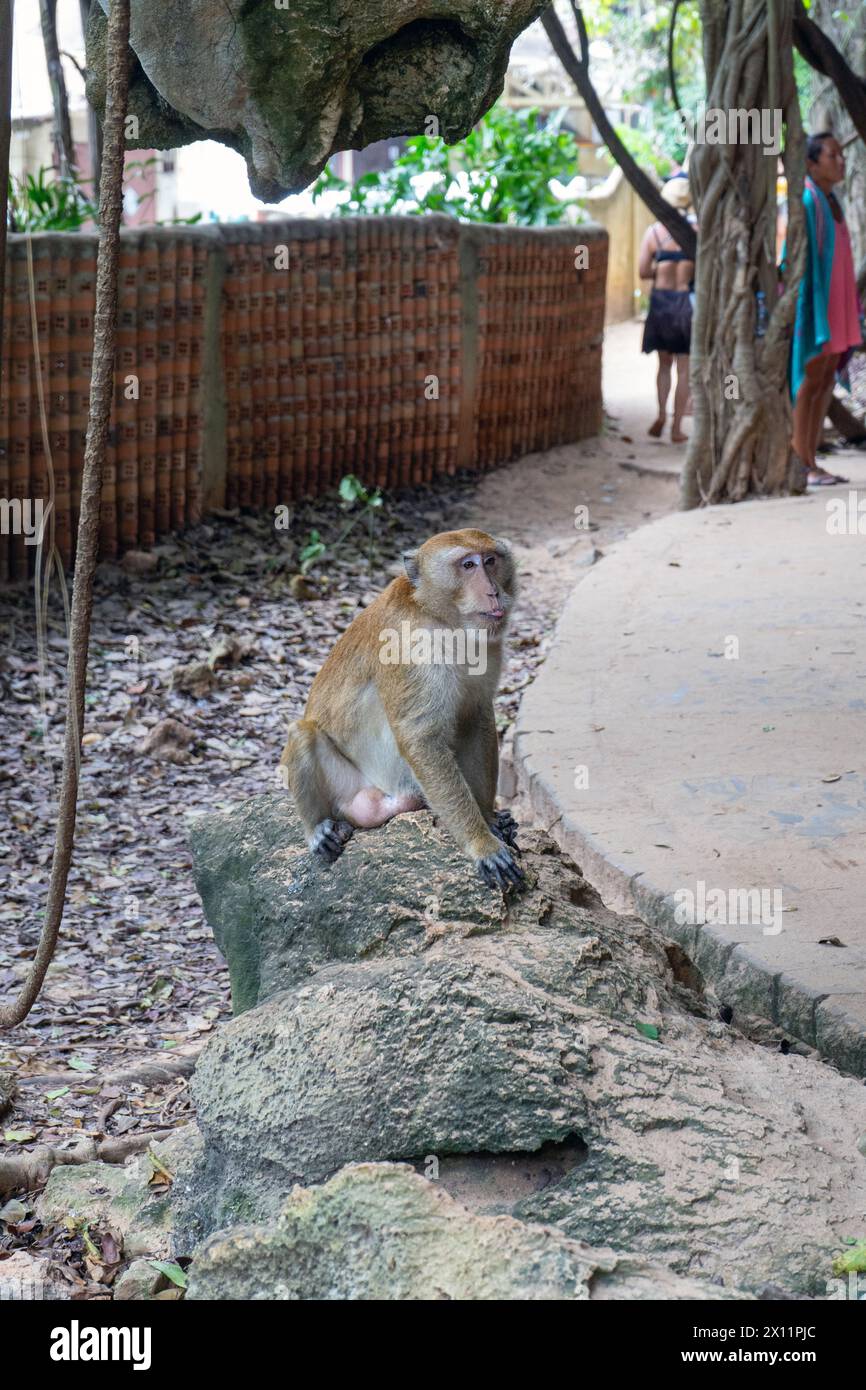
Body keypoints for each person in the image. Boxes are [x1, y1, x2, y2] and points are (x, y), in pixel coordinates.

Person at [789, 132, 862, 486]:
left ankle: (810, 457)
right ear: (811, 163)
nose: (840, 161)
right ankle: (800, 460)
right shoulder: (807, 200)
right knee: (809, 379)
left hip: (838, 305)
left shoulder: (831, 201)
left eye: (841, 155)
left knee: (824, 381)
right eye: (832, 156)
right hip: (816, 306)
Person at [638, 173, 696, 444]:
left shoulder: (653, 233)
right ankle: (676, 427)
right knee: (683, 369)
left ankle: (660, 413)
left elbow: (642, 271)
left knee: (663, 366)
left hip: (661, 303)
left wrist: (661, 268)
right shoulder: (694, 234)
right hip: (685, 303)